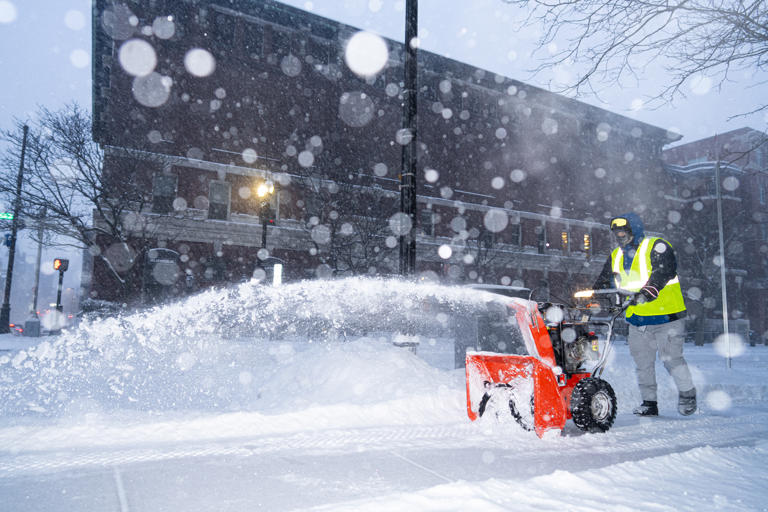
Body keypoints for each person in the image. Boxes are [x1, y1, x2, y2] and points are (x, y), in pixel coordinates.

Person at [593, 213, 696, 416]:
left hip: (667, 317)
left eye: (624, 232)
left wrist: (649, 292)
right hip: (638, 321)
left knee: (671, 359)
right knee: (643, 364)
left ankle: (687, 394)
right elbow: (604, 282)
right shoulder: (616, 256)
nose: (620, 236)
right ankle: (649, 403)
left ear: (635, 230)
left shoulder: (657, 246)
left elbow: (663, 272)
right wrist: (595, 296)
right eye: (617, 233)